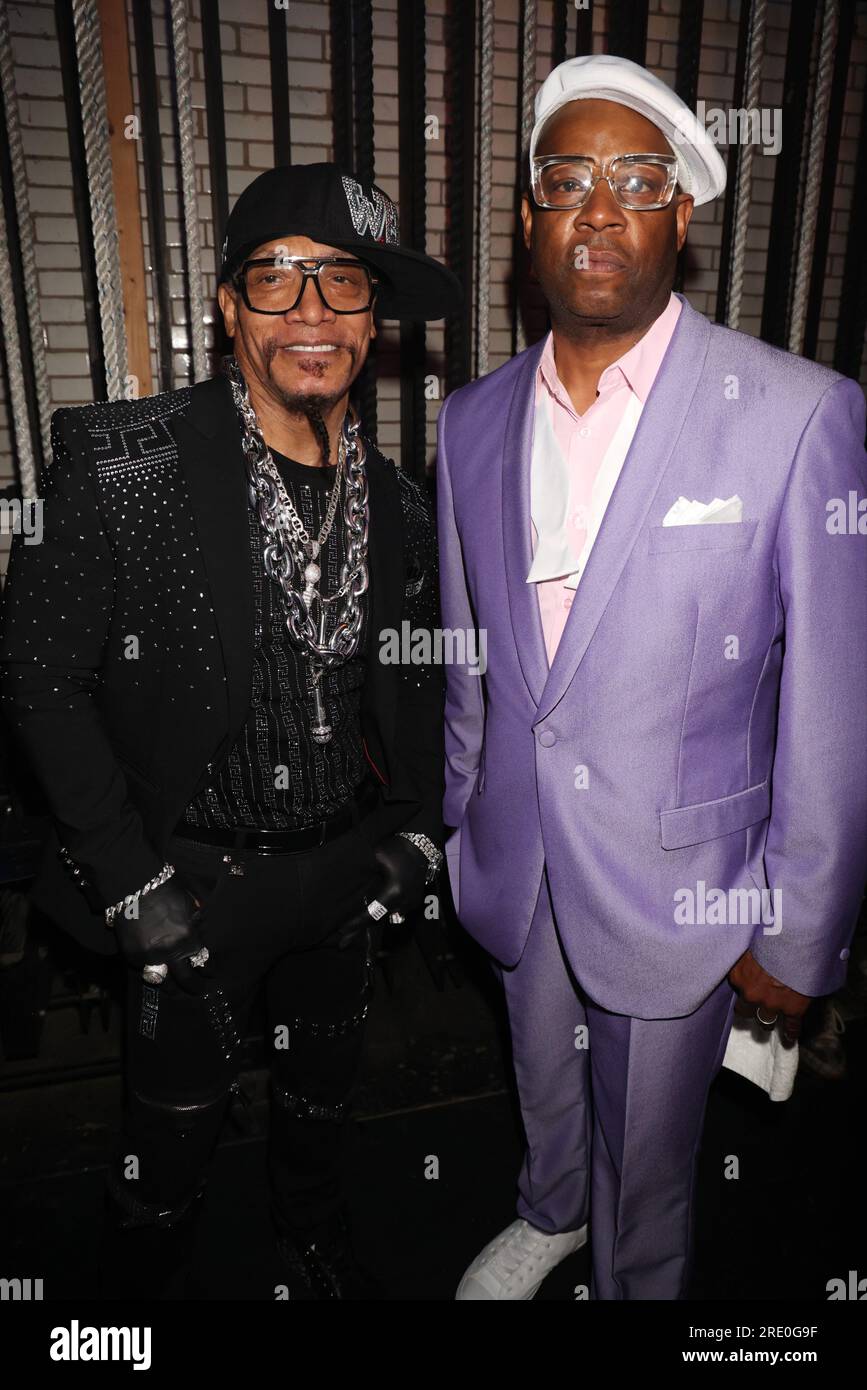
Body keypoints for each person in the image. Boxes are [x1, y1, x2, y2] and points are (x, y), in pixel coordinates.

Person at [436, 55, 867, 1300]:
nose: (599, 206)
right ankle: (549, 1207)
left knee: (656, 1172)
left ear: (680, 217)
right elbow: (471, 655)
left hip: (688, 886)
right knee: (543, 1082)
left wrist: (798, 928)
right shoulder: (471, 419)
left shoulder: (795, 412)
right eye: (565, 178)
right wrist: (468, 821)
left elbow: (835, 706)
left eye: (638, 178)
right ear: (529, 221)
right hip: (517, 863)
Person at [0, 162, 459, 1300]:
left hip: (341, 879)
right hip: (188, 881)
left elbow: (428, 687)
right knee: (169, 1150)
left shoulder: (404, 509)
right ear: (227, 306)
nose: (311, 312)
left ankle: (310, 1248)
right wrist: (126, 881)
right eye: (278, 280)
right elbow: (36, 674)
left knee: (319, 1110)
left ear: (376, 314)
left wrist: (417, 834)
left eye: (341, 283)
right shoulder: (119, 461)